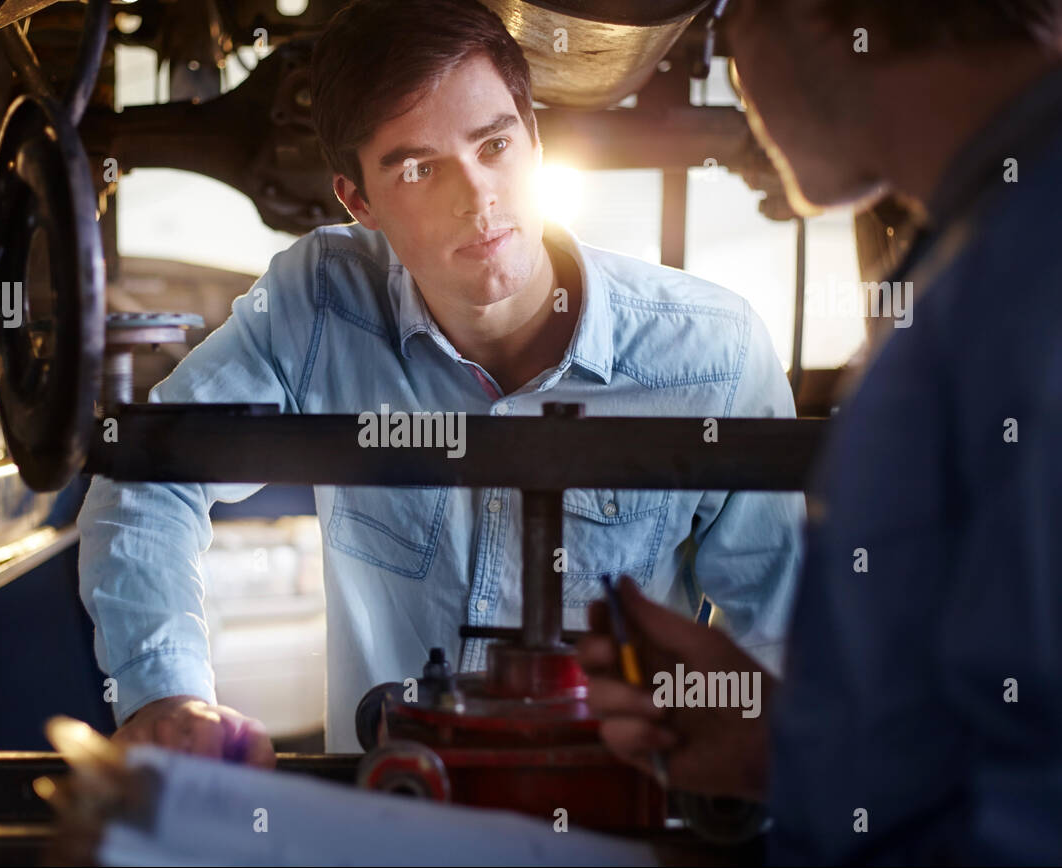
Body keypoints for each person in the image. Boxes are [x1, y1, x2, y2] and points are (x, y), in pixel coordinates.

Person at [77, 0, 803, 760]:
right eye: (420, 168)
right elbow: (147, 478)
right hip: (391, 824)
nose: (477, 198)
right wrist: (167, 693)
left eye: (494, 145)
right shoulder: (318, 303)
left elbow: (779, 642)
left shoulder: (715, 355)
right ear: (359, 202)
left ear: (535, 141)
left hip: (618, 826)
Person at [579, 0, 1062, 864]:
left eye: (724, 28)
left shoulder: (1025, 274)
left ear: (808, 14)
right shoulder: (987, 250)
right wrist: (774, 743)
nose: (735, 77)